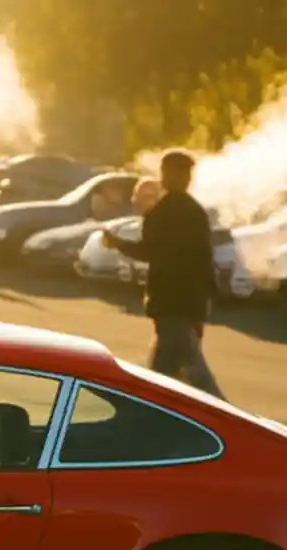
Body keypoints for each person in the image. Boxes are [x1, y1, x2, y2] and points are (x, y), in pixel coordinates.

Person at [104, 150, 223, 398]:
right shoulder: (196, 213)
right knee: (164, 375)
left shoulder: (162, 213)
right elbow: (205, 260)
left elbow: (148, 250)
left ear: (166, 175)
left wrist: (117, 243)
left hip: (170, 305)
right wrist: (204, 305)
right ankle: (152, 414)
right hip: (189, 305)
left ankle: (232, 424)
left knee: (190, 376)